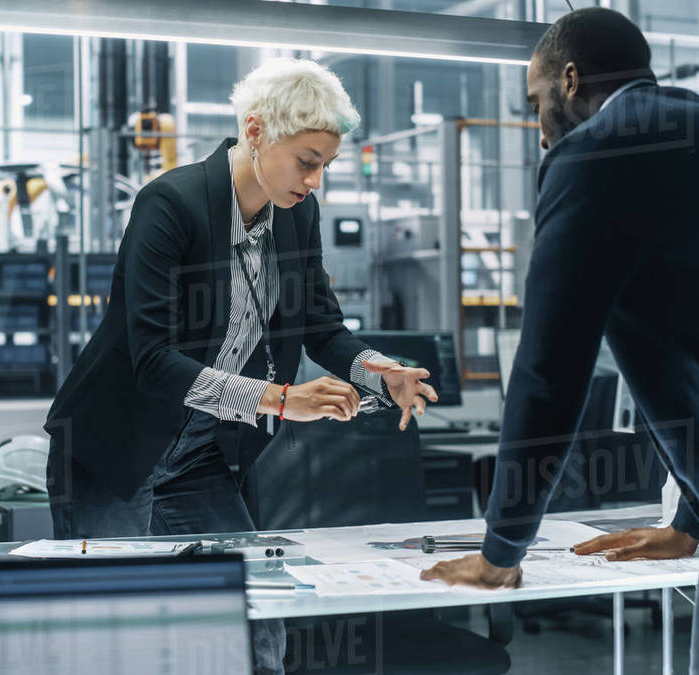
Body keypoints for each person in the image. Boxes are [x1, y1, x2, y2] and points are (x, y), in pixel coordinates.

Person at [420, 8, 699, 674]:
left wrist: (501, 551)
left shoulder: (592, 157)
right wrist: (689, 521)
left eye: (536, 104)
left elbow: (548, 372)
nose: (538, 131)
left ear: (570, 81)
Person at [44, 58, 438, 675]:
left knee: (257, 619)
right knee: (119, 634)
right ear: (255, 131)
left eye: (326, 166)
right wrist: (280, 398)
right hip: (115, 450)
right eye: (307, 161)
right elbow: (153, 362)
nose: (315, 181)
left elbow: (321, 324)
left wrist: (381, 371)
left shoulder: (295, 213)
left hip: (198, 451)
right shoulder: (170, 204)